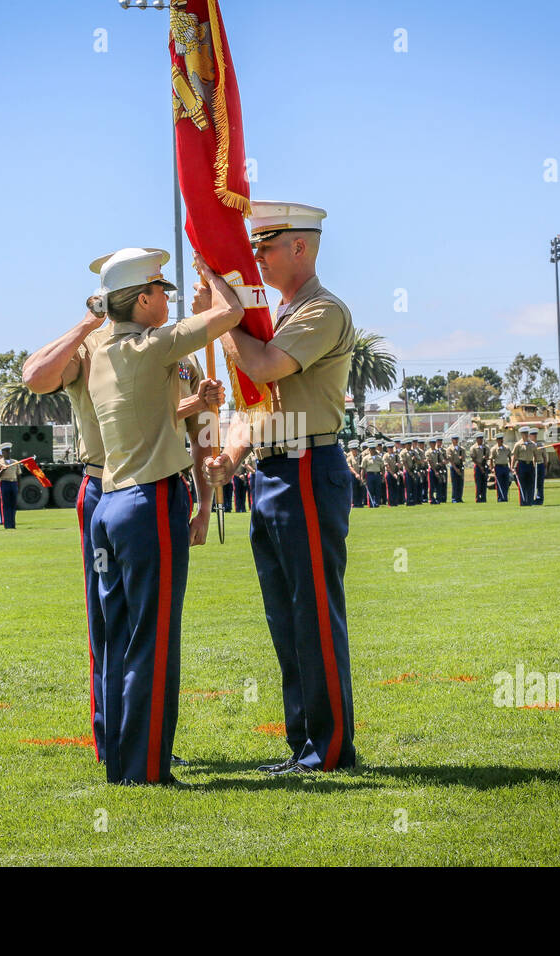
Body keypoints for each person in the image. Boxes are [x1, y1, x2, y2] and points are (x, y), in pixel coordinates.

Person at [203, 202, 358, 776]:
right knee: (285, 616)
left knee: (313, 611)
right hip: (272, 470)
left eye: (266, 246)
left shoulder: (322, 310)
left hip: (308, 468)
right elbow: (255, 405)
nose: (257, 257)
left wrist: (222, 321)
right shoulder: (280, 314)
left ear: (302, 248)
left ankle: (330, 747)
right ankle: (304, 744)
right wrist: (230, 457)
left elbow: (265, 368)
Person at [83, 246, 237, 785]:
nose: (166, 302)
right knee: (155, 639)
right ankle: (147, 769)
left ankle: (124, 764)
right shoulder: (151, 346)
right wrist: (215, 277)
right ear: (142, 299)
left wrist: (195, 407)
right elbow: (231, 315)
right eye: (160, 293)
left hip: (112, 503)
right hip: (150, 503)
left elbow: (151, 412)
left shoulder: (103, 352)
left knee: (121, 636)